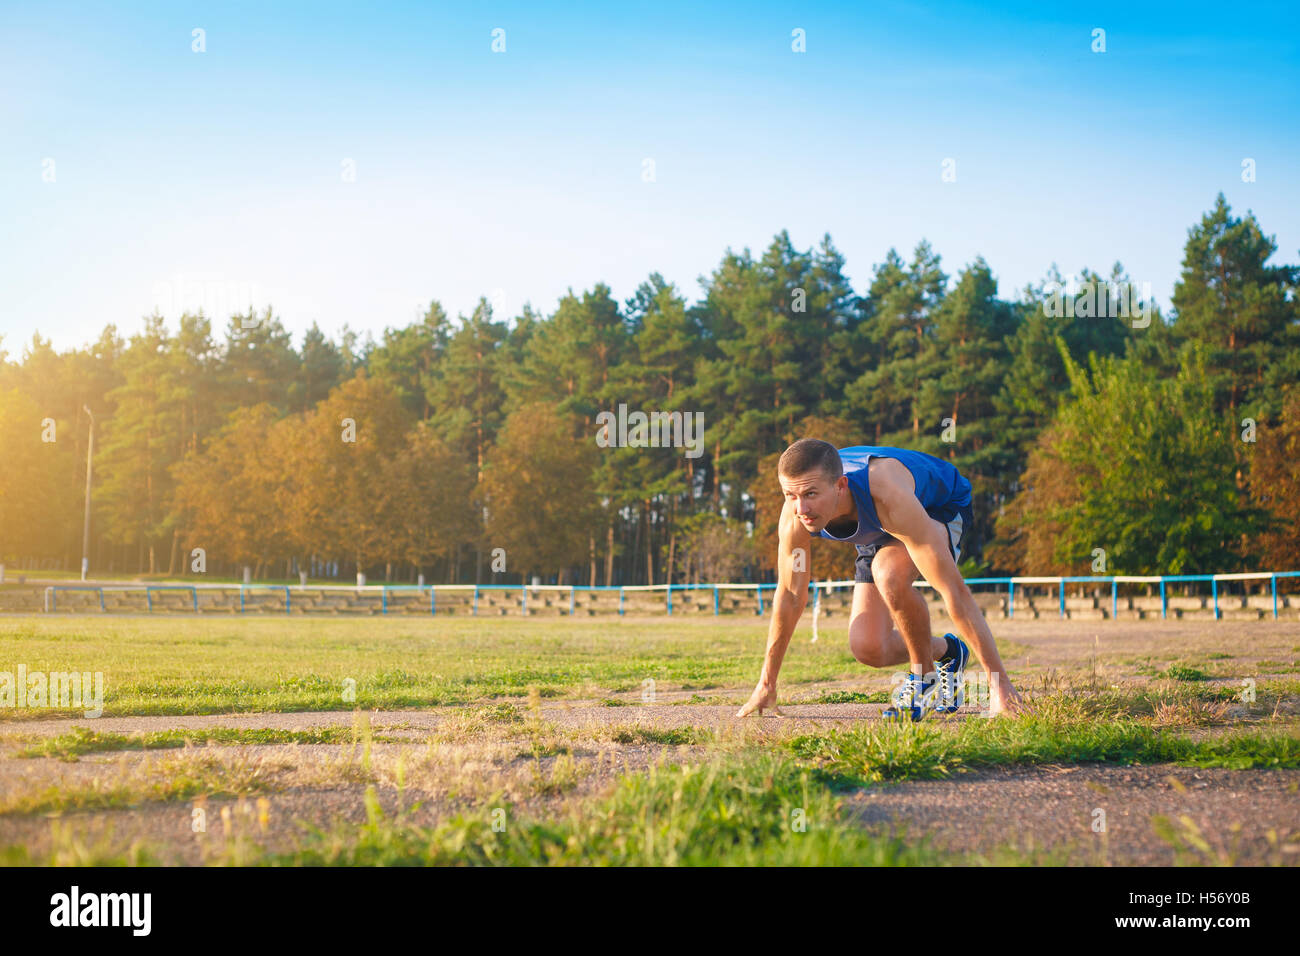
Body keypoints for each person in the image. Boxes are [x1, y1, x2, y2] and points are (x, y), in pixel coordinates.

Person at [737, 439, 1025, 720]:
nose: (800, 509)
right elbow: (790, 595)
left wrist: (1001, 688)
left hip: (937, 508)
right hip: (877, 529)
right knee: (868, 647)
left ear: (840, 486)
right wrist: (767, 684)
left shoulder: (887, 493)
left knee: (889, 573)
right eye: (790, 495)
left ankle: (922, 678)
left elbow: (955, 592)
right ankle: (949, 651)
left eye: (811, 494)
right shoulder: (795, 516)